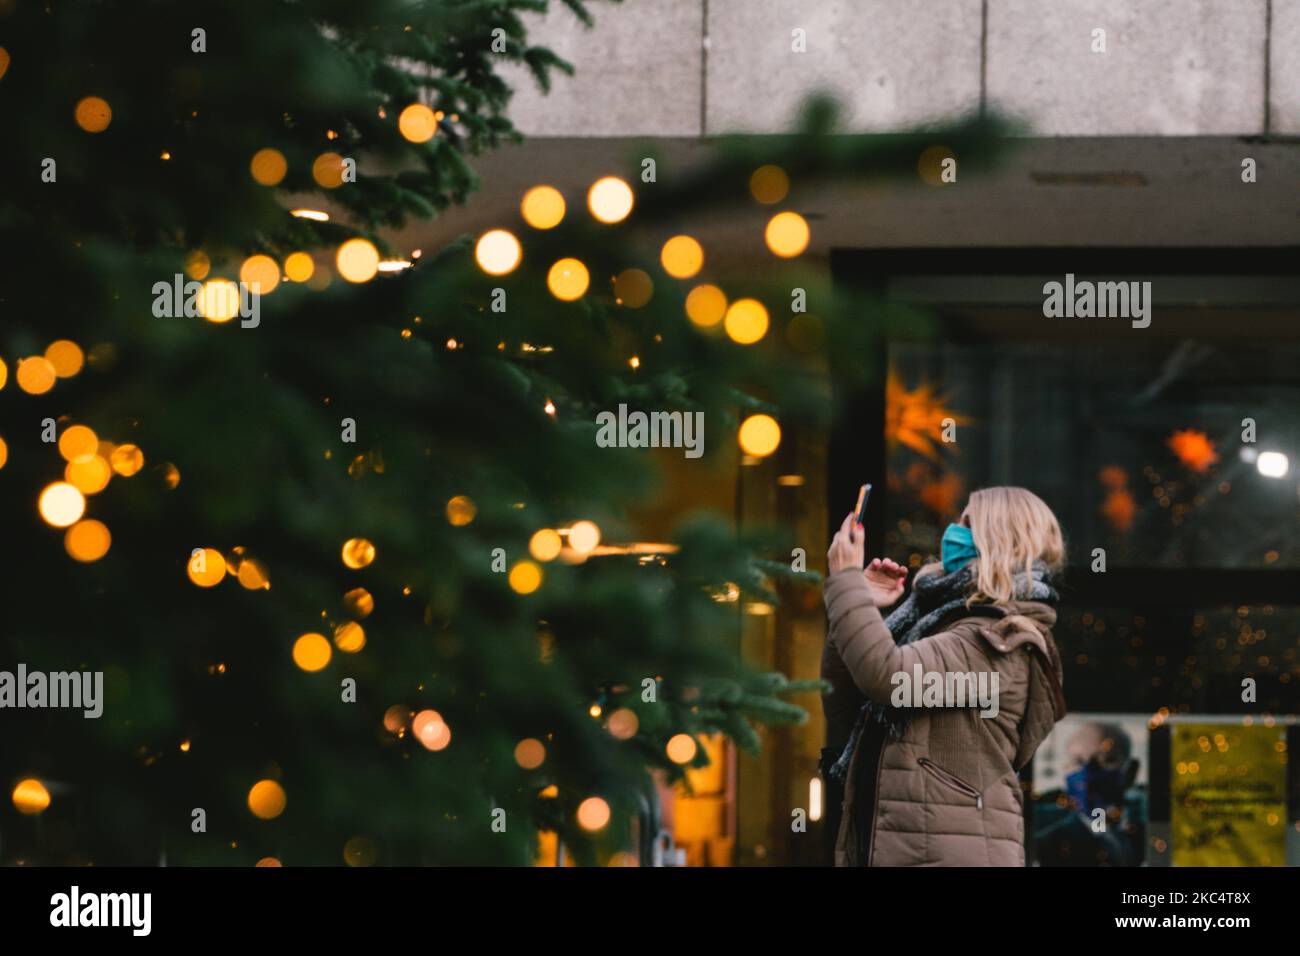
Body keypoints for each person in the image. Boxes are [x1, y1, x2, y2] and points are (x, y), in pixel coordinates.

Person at [822, 486, 1068, 866]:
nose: (954, 530)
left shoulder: (997, 641)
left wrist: (846, 582)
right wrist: (863, 605)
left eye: (967, 522)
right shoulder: (941, 624)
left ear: (1000, 539)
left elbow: (890, 679)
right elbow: (847, 703)